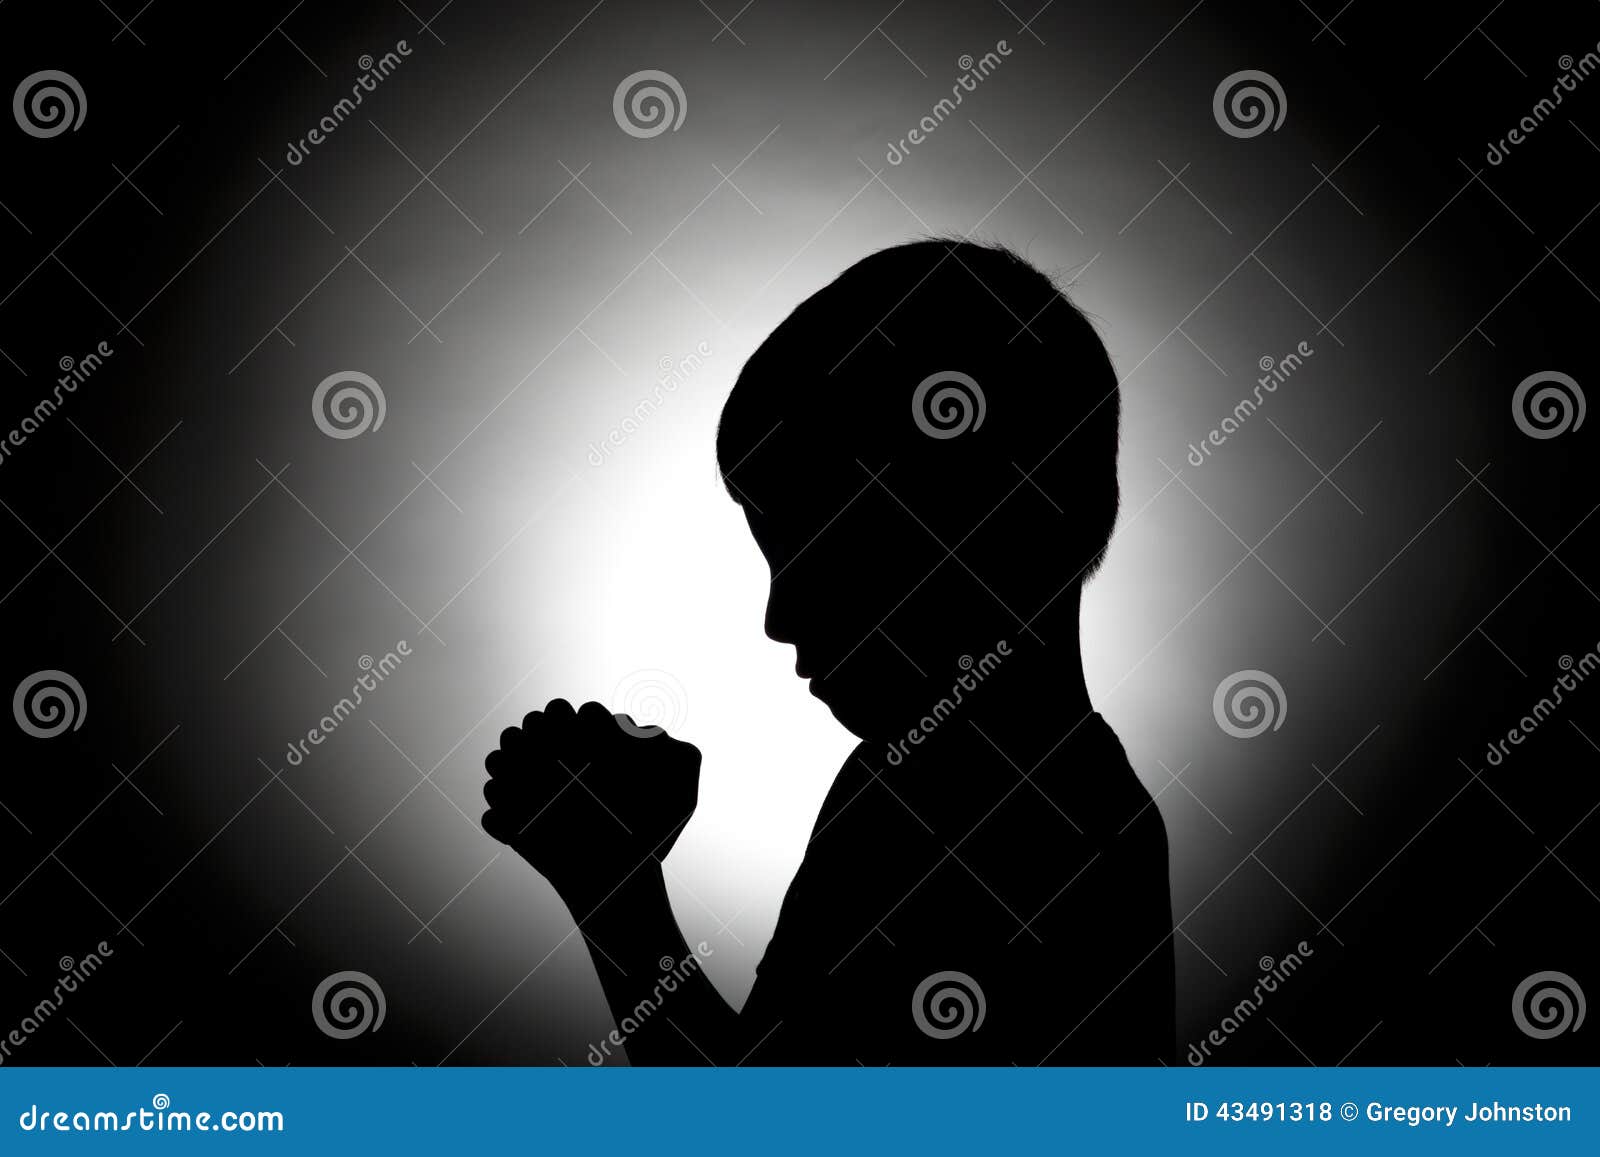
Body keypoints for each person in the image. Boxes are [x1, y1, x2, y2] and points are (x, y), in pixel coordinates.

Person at [482, 238, 1175, 1064]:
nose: (781, 616)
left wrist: (616, 892)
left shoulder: (1035, 821)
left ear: (988, 526)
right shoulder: (907, 784)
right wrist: (613, 884)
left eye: (822, 550)